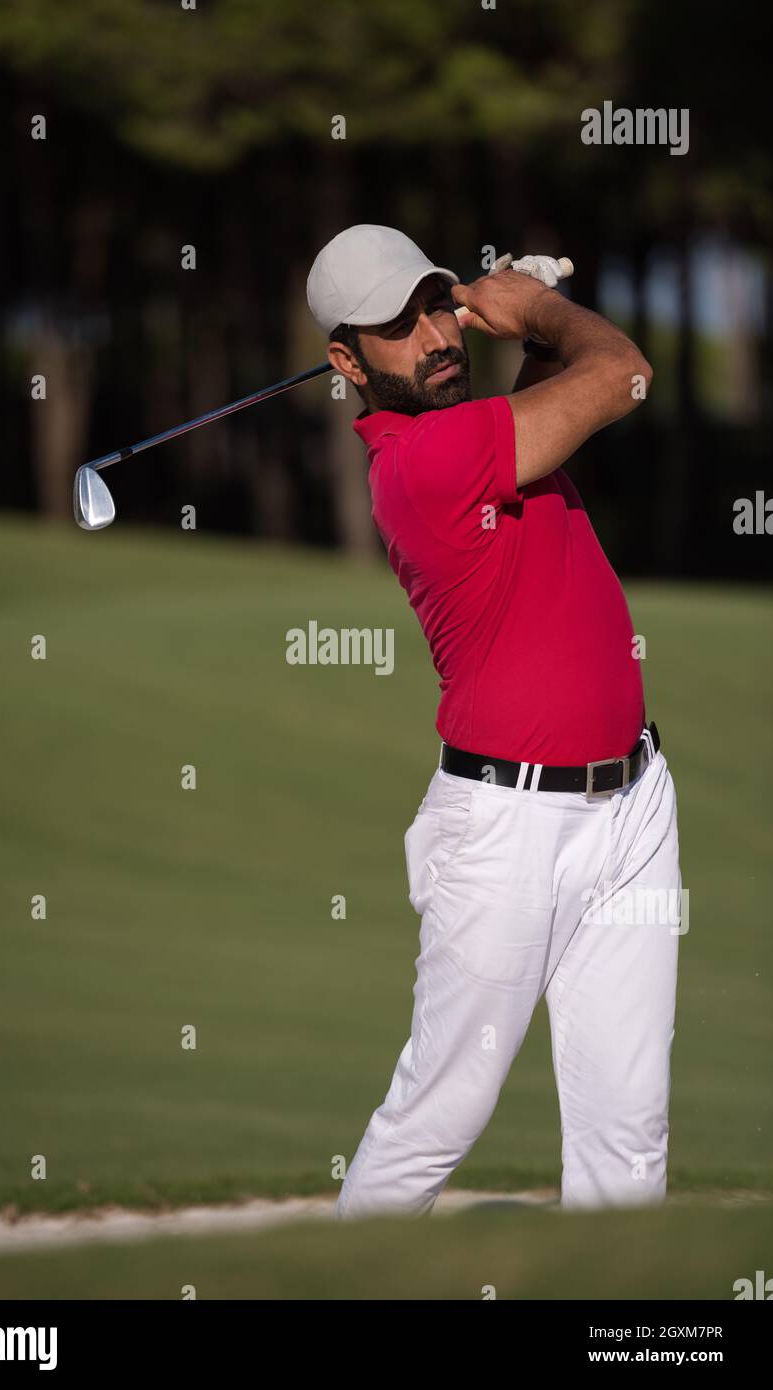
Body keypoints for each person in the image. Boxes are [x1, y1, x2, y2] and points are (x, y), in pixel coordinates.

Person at [306, 224, 682, 1216]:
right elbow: (622, 374)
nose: (434, 335)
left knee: (627, 1131)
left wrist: (517, 316)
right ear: (346, 362)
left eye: (438, 305)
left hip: (634, 804)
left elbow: (561, 380)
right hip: (505, 831)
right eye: (398, 326)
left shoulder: (478, 434)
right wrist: (533, 307)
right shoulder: (424, 462)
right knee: (439, 1112)